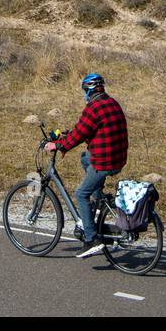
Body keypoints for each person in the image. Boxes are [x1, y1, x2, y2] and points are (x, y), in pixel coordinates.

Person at [45, 72, 128, 256]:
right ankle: (98, 201)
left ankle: (91, 240)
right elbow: (83, 130)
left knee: (81, 193)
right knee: (85, 158)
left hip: (105, 162)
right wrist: (67, 135)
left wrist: (57, 145)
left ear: (90, 89)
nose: (84, 95)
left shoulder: (93, 108)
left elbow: (78, 136)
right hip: (118, 158)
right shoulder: (112, 103)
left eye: (84, 91)